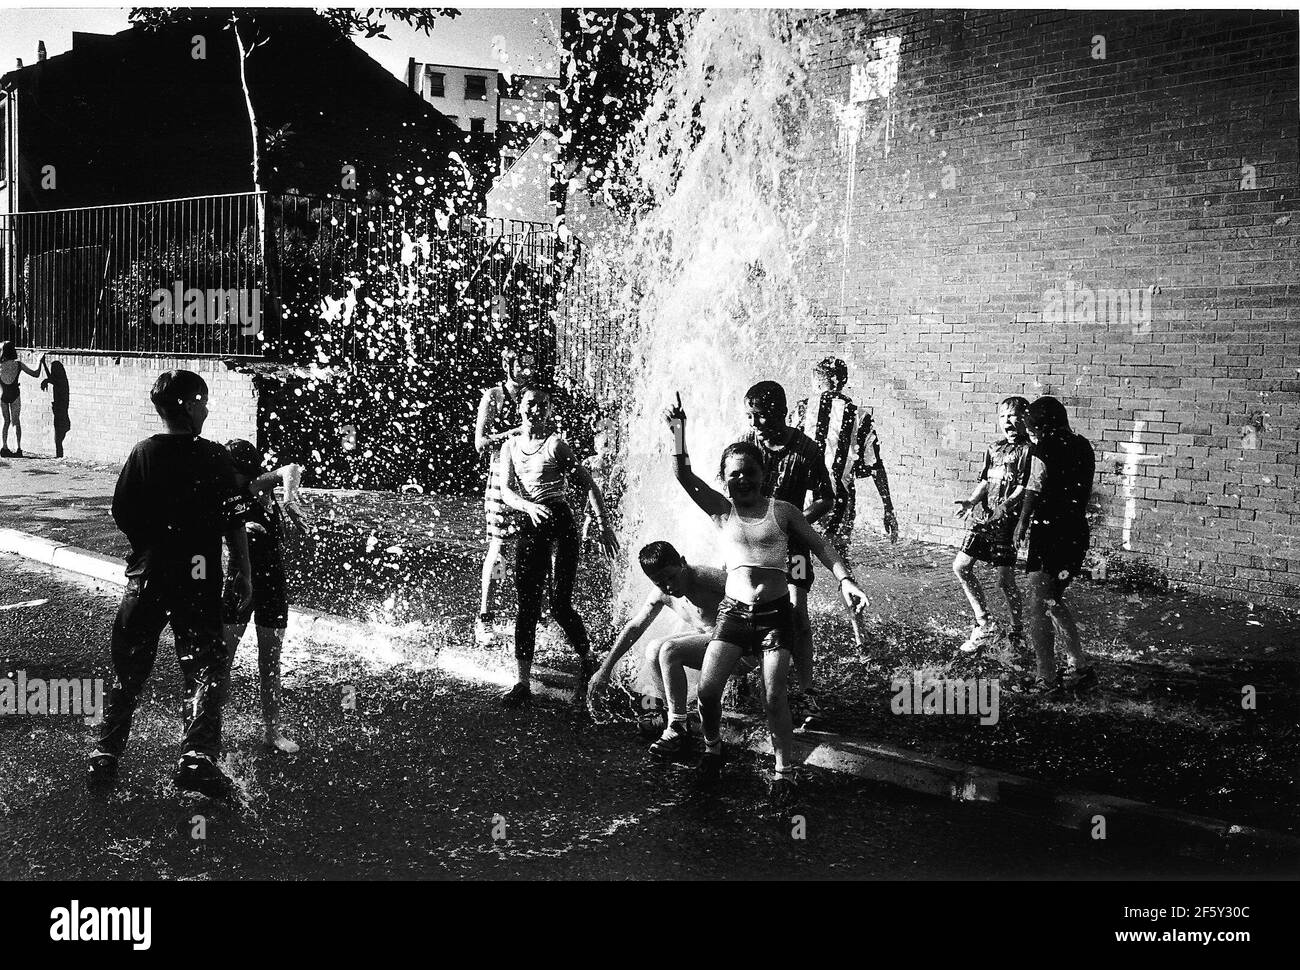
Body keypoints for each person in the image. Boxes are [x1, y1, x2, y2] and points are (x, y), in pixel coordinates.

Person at [667, 395, 869, 805]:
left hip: (776, 617)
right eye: (734, 475)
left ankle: (784, 770)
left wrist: (846, 580)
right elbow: (683, 475)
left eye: (749, 473)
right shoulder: (722, 512)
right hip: (734, 616)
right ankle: (712, 747)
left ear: (763, 475)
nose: (742, 480)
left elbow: (822, 546)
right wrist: (678, 432)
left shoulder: (784, 511)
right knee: (707, 692)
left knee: (773, 695)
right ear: (724, 479)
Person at [88, 370, 253, 799]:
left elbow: (121, 511)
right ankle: (196, 757)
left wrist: (151, 547)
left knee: (128, 669)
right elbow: (236, 522)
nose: (207, 408)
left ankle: (105, 755)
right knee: (206, 668)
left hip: (147, 578)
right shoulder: (215, 457)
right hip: (196, 581)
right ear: (188, 406)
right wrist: (242, 573)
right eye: (203, 401)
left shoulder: (143, 453)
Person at [497, 382, 619, 708]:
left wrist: (604, 527)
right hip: (532, 521)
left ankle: (588, 656)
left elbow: (588, 484)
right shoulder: (509, 447)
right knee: (527, 606)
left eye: (542, 405)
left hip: (561, 522)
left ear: (549, 410)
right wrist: (526, 506)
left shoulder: (556, 446)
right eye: (530, 403)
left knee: (559, 604)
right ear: (520, 407)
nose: (535, 410)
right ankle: (522, 681)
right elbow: (507, 490)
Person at [586, 541, 753, 758]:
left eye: (672, 577)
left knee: (670, 650)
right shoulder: (662, 592)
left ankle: (677, 728)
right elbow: (635, 627)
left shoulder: (706, 578)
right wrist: (604, 670)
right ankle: (672, 718)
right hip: (714, 647)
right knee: (654, 648)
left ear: (682, 563)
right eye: (660, 582)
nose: (669, 587)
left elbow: (754, 597)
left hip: (741, 650)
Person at [740, 380, 836, 730]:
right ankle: (743, 676)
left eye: (762, 416)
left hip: (791, 546)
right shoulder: (747, 444)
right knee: (744, 607)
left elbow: (827, 498)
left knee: (796, 614)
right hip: (750, 544)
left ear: (781, 412)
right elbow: (729, 486)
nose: (755, 423)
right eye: (751, 415)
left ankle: (807, 689)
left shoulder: (807, 450)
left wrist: (796, 522)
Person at [218, 439, 309, 755]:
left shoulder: (256, 485)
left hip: (269, 582)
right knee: (223, 658)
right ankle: (207, 726)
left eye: (229, 468)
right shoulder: (229, 494)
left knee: (269, 660)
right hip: (241, 581)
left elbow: (292, 468)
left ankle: (272, 733)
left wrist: (290, 500)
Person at [1013, 396, 1098, 696]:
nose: (1029, 429)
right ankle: (1079, 666)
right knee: (1052, 600)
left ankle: (1045, 679)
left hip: (1050, 533)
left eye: (1031, 424)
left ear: (1041, 424)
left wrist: (1022, 522)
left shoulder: (1044, 446)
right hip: (1075, 533)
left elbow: (1034, 486)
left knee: (1037, 603)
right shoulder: (1083, 445)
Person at [952, 397, 1033, 654]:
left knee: (1005, 581)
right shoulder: (994, 448)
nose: (1007, 421)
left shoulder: (1028, 451)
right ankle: (984, 623)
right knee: (961, 566)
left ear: (1025, 419)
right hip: (984, 518)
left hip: (1006, 524)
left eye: (1013, 416)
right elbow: (986, 481)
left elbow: (1024, 487)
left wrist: (1006, 506)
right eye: (1002, 417)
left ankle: (1017, 631)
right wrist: (971, 501)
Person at [793, 356, 899, 552]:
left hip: (804, 495)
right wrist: (888, 508)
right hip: (839, 498)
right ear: (844, 381)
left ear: (816, 379)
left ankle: (799, 581)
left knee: (798, 552)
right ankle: (845, 582)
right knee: (839, 555)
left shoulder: (802, 409)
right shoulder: (860, 416)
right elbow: (875, 466)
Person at [473, 348, 534, 646]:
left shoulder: (532, 396)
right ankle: (485, 617)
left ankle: (533, 615)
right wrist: (514, 432)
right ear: (506, 365)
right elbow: (480, 443)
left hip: (531, 478)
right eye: (520, 366)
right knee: (500, 547)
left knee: (533, 548)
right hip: (501, 478)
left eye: (529, 367)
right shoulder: (494, 396)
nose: (525, 372)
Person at [0, 341, 46, 458]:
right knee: (16, 422)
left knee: (6, 422)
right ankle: (18, 448)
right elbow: (35, 373)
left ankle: (4, 448)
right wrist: (39, 361)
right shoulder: (18, 365)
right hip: (15, 394)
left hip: (3, 396)